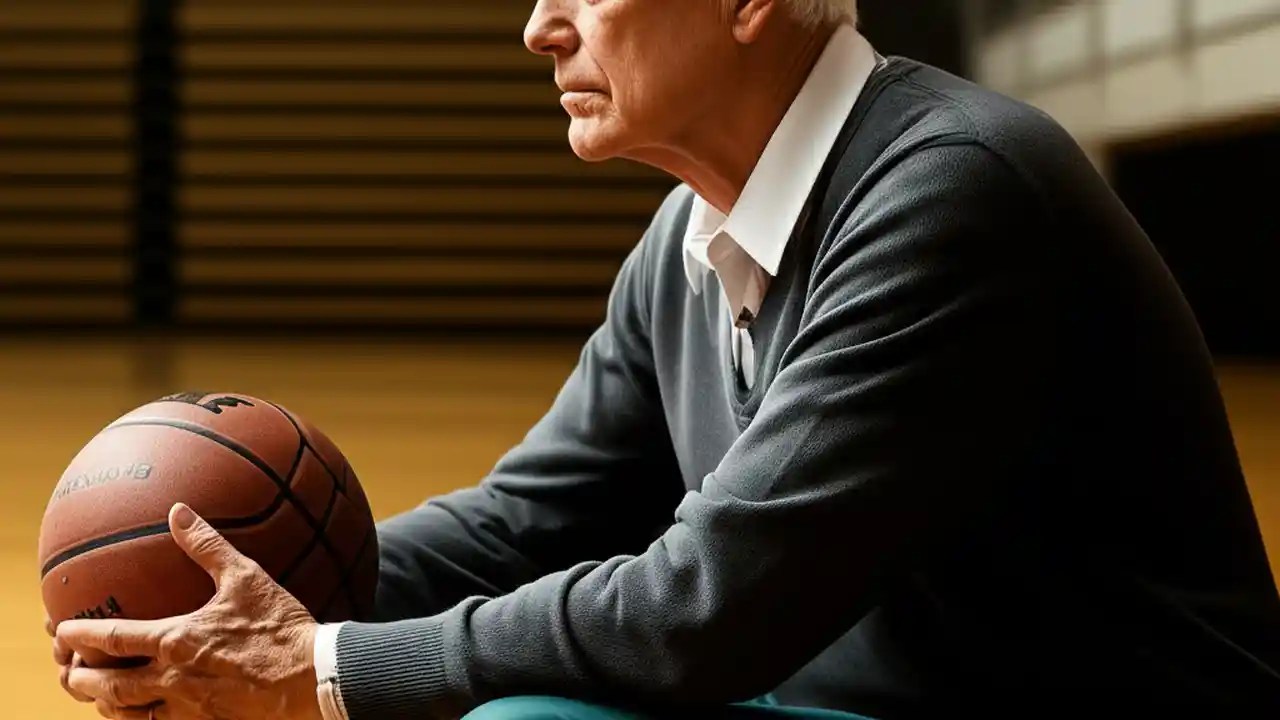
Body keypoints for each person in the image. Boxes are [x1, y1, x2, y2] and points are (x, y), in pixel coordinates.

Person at [51, 0, 1280, 718]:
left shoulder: (953, 193)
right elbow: (526, 524)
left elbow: (698, 611)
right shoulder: (694, 235)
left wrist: (318, 664)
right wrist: (225, 594)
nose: (538, 27)